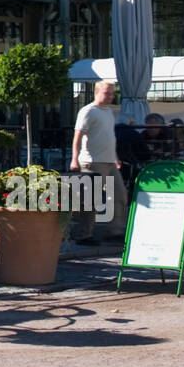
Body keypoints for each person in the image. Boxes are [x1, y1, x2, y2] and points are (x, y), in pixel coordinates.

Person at [70, 81, 127, 245]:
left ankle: (115, 230)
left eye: (112, 93)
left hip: (109, 161)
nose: (110, 96)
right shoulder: (88, 111)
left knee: (120, 194)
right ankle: (84, 234)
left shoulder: (109, 112)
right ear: (96, 93)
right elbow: (78, 137)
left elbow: (109, 137)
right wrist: (75, 159)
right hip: (91, 161)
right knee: (91, 198)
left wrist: (115, 157)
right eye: (106, 93)